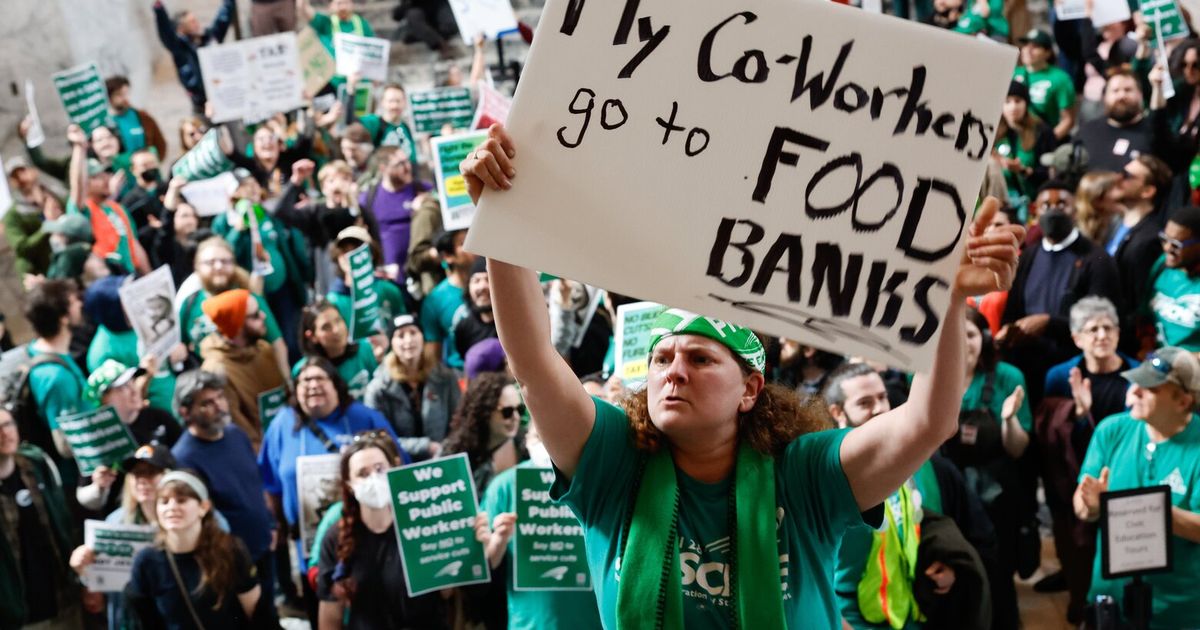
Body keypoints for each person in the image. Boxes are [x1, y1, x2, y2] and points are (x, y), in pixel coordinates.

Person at [458, 123, 1023, 627]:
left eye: (701, 359)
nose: (673, 372)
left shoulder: (806, 476)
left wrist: (948, 304)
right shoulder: (610, 460)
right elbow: (533, 364)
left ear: (750, 388)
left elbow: (928, 422)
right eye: (662, 359)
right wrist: (502, 228)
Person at [825, 362, 997, 630]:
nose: (880, 408)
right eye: (865, 402)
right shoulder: (826, 477)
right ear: (837, 412)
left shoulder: (904, 465)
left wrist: (946, 567)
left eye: (883, 397)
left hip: (910, 617)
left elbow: (911, 528)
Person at [258, 357, 403, 612]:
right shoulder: (281, 425)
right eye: (304, 380)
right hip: (310, 545)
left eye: (319, 378)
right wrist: (278, 525)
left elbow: (399, 468)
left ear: (336, 385)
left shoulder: (366, 418)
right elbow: (271, 484)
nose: (312, 385)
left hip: (371, 542)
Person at [1074, 347, 1200, 627]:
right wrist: (1092, 505)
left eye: (1150, 387)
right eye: (1136, 382)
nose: (1134, 392)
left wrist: (1135, 508)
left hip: (1177, 610)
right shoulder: (1111, 430)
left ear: (1182, 401)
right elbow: (1083, 506)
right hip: (1110, 599)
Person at [999, 180, 1122, 404]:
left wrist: (1049, 322)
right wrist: (1008, 329)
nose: (1054, 210)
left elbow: (1101, 319)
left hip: (1072, 368)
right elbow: (1013, 308)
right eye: (1046, 205)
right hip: (1028, 365)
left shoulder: (1097, 259)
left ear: (1075, 210)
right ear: (1035, 211)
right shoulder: (1028, 256)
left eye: (1062, 204)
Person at [171, 370, 279, 618]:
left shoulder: (235, 435)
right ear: (186, 412)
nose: (219, 406)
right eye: (207, 403)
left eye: (220, 397)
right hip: (230, 562)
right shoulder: (184, 459)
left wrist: (270, 524)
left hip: (263, 546)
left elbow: (255, 484)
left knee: (267, 614)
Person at [478, 421, 604, 630]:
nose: (547, 442)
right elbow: (485, 562)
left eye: (556, 434)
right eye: (538, 436)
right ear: (527, 441)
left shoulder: (596, 481)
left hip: (591, 620)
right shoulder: (504, 486)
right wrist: (498, 540)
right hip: (530, 622)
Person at [316, 434, 445, 628]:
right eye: (363, 474)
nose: (374, 479)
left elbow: (447, 593)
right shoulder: (336, 538)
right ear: (349, 484)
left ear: (394, 469)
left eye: (380, 469)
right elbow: (330, 617)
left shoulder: (424, 524)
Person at [124, 470, 263, 628]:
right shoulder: (147, 561)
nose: (172, 507)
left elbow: (257, 613)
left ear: (203, 507)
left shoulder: (231, 550)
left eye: (181, 500)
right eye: (164, 501)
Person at [69, 443, 176, 630]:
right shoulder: (115, 521)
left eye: (151, 472)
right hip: (129, 619)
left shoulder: (186, 517)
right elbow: (98, 591)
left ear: (170, 476)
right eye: (136, 473)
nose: (142, 480)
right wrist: (84, 571)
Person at [0, 407, 80, 629]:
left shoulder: (36, 465)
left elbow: (64, 525)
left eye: (8, 424)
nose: (5, 433)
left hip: (62, 600)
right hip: (18, 614)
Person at [177, 237, 291, 383]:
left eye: (225, 261)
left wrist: (287, 382)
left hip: (250, 380)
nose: (218, 266)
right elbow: (180, 344)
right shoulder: (189, 304)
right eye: (210, 262)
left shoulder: (249, 300)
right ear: (197, 266)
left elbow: (277, 344)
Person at [198, 289, 289, 448]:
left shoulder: (263, 348)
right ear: (237, 325)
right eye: (255, 316)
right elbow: (239, 432)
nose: (263, 316)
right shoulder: (217, 370)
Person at [21, 279, 91, 481]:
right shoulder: (56, 378)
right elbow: (65, 445)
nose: (80, 304)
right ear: (63, 318)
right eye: (73, 301)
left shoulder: (37, 350)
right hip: (79, 476)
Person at [364, 314, 459, 460]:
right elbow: (379, 437)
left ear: (423, 338)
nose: (408, 340)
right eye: (400, 335)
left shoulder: (445, 378)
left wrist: (445, 449)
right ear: (391, 343)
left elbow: (458, 421)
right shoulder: (378, 389)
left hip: (445, 458)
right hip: (399, 461)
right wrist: (425, 446)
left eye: (413, 333)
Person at [66, 124, 150, 275]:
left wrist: (150, 277)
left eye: (107, 174)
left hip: (131, 279)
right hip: (107, 281)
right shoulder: (83, 208)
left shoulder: (117, 208)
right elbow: (77, 185)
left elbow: (134, 245)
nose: (106, 179)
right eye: (98, 177)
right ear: (87, 183)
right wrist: (79, 147)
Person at [357, 146, 431, 282]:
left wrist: (427, 204)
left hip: (421, 273)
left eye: (407, 161)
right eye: (399, 164)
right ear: (383, 168)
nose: (407, 167)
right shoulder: (368, 198)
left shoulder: (421, 189)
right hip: (390, 276)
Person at [443, 373, 525, 493]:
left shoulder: (524, 448)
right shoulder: (455, 453)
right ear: (485, 411)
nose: (516, 417)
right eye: (507, 412)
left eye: (520, 409)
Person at [153, 0, 238, 113]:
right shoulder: (180, 47)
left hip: (224, 97)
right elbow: (166, 33)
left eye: (195, 20)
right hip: (201, 104)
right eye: (191, 22)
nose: (197, 24)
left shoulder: (209, 39)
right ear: (181, 28)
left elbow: (223, 19)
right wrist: (159, 10)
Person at [1077, 70, 1163, 174]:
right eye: (1115, 91)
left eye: (1128, 90)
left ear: (1140, 95)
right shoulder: (1087, 131)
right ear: (1104, 98)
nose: (1121, 96)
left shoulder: (1154, 132)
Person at [993, 81, 1054, 219]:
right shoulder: (993, 133)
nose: (1013, 107)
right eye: (1007, 101)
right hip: (1002, 205)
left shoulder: (1042, 131)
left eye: (1018, 101)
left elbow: (1049, 174)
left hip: (1032, 204)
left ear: (1026, 103)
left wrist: (1023, 171)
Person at [295, 299, 378, 400]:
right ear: (312, 336)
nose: (336, 330)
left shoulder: (364, 349)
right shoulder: (305, 370)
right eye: (326, 327)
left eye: (338, 320)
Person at [1146, 206, 1200, 352]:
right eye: (1164, 239)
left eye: (1176, 245)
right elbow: (1143, 317)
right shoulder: (1162, 265)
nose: (1167, 248)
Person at [421, 229, 475, 370]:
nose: (474, 245)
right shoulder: (435, 300)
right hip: (461, 376)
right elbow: (433, 355)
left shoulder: (496, 286)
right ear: (447, 256)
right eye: (464, 243)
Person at [1013, 29, 1078, 141]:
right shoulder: (1013, 73)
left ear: (1047, 53)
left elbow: (1068, 120)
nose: (1028, 50)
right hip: (1014, 139)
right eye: (1025, 45)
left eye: (1035, 46)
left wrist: (1047, 142)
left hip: (1041, 137)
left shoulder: (1060, 78)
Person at [105, 76, 167, 158]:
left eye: (126, 93)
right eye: (119, 95)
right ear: (110, 97)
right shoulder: (105, 123)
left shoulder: (143, 117)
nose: (125, 98)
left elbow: (159, 144)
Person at [453, 256, 498, 358]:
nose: (482, 286)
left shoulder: (512, 323)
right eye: (476, 280)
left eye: (488, 279)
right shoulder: (463, 328)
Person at [1073, 171, 1121, 245]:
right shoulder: (1074, 231)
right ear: (1098, 199)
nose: (1120, 195)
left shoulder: (1121, 222)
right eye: (1115, 189)